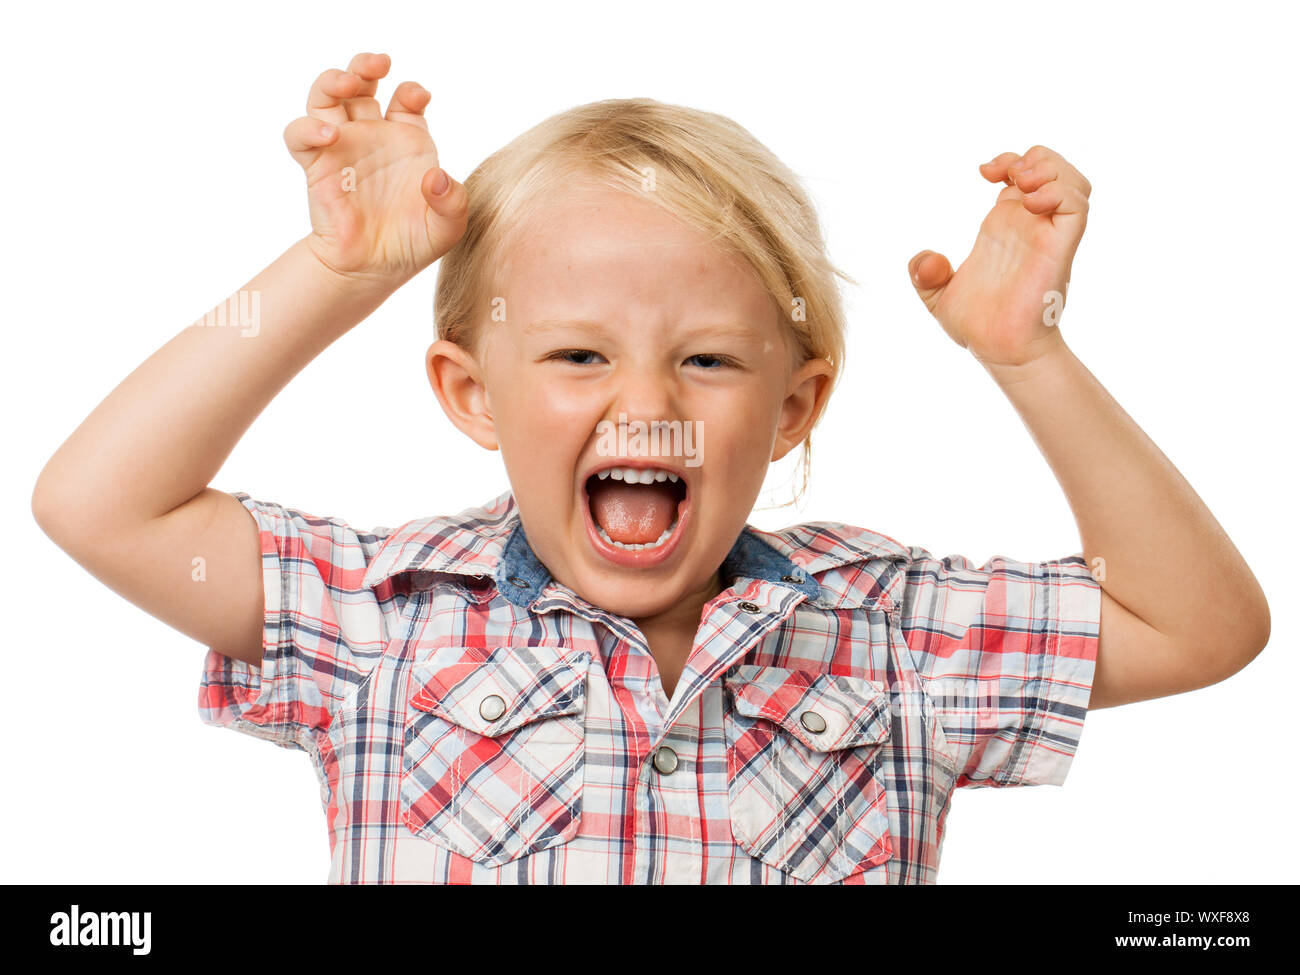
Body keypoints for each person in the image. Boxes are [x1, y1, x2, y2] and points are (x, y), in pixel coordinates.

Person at [31, 51, 1270, 884]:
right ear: (474, 395)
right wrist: (341, 274)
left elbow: (1201, 626)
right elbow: (99, 504)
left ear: (795, 410)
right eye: (576, 354)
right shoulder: (378, 617)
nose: (648, 407)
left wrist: (1027, 357)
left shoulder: (891, 629)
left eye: (710, 363)